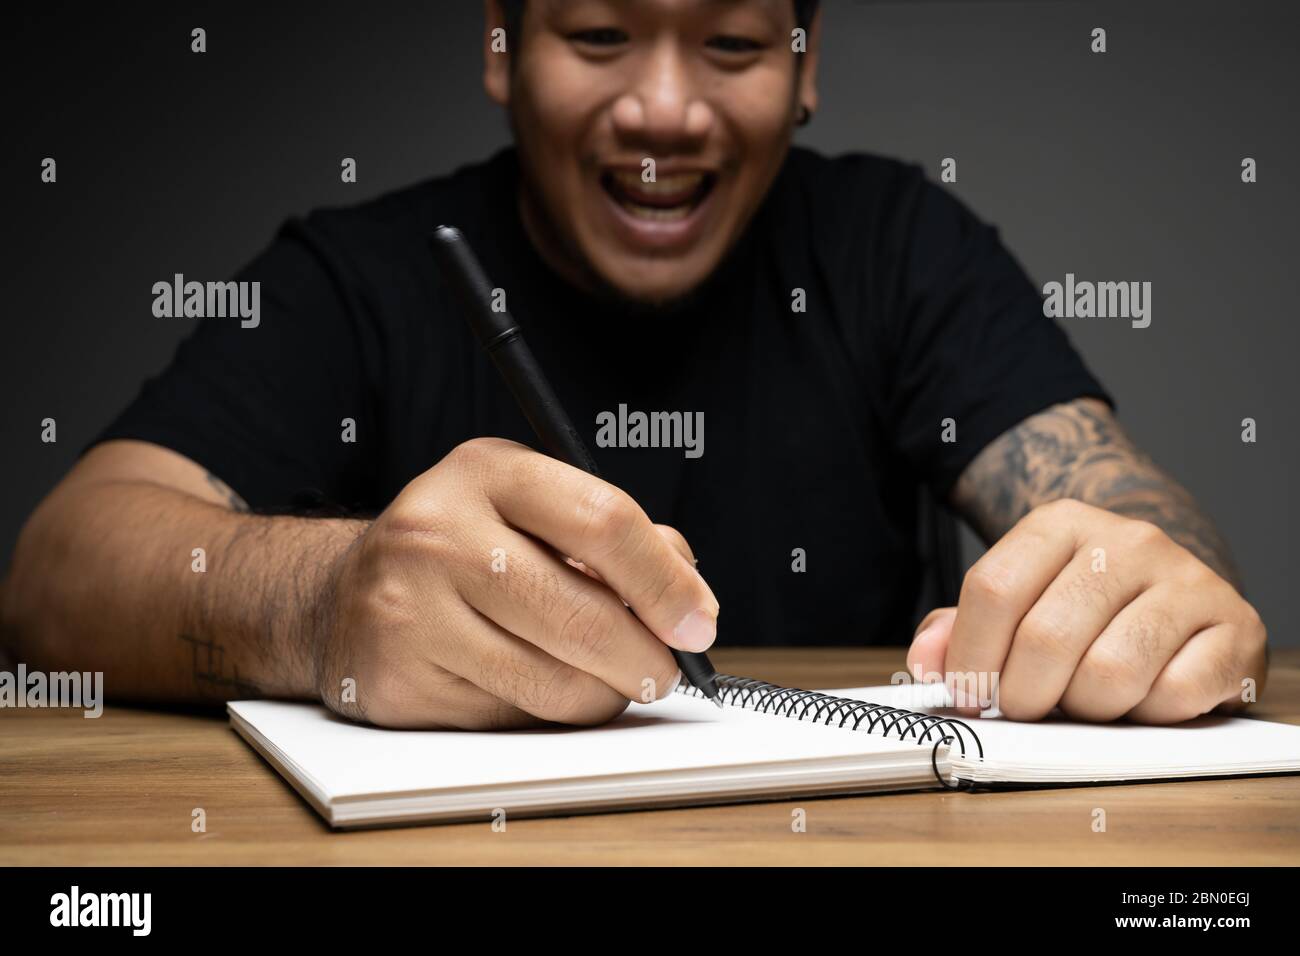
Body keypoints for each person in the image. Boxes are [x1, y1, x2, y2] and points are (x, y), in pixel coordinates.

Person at [1, 0, 1265, 729]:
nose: (665, 109)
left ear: (805, 68)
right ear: (501, 49)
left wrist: (1144, 584)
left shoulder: (898, 243)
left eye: (732, 44)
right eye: (599, 31)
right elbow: (56, 572)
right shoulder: (361, 272)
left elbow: (1130, 510)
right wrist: (324, 598)